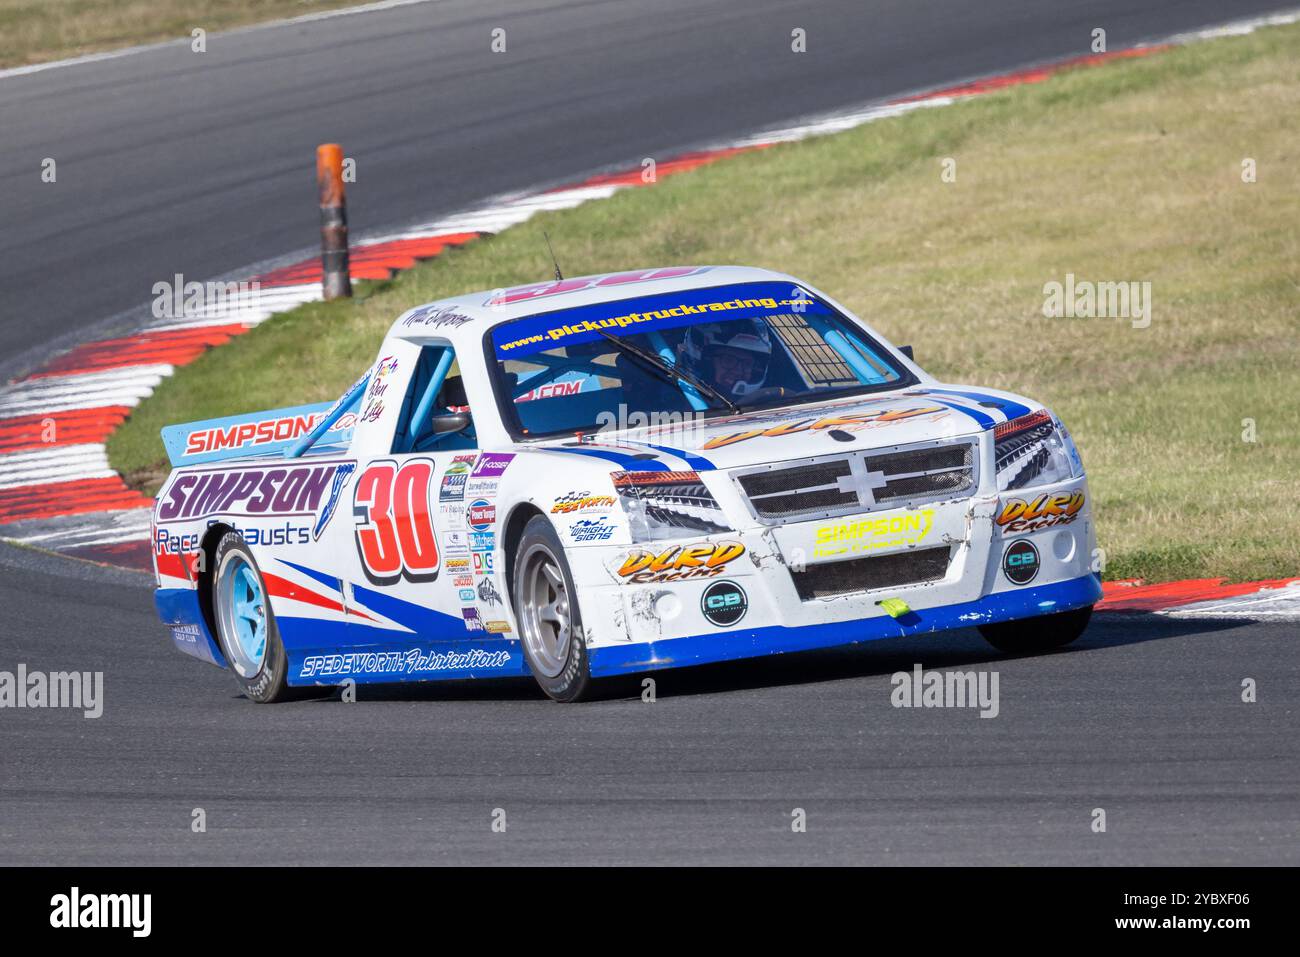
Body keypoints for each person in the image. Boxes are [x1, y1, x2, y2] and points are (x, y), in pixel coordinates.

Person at [679, 320, 774, 399]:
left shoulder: (768, 401)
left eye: (747, 363)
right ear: (704, 362)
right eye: (729, 360)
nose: (738, 371)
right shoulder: (677, 402)